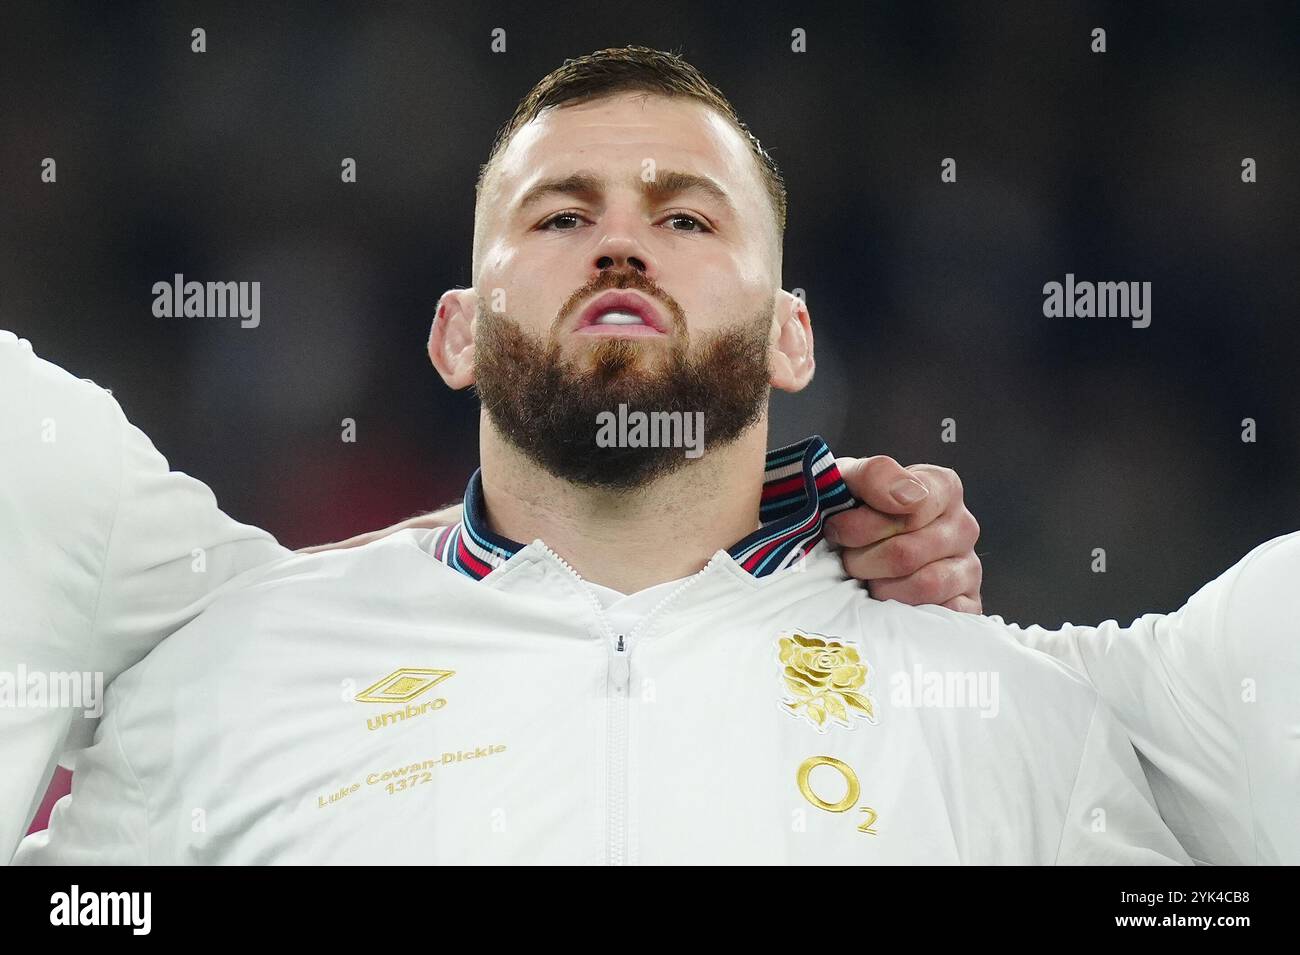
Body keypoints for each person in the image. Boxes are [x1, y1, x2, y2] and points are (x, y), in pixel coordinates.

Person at [11, 48, 1204, 865]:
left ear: (793, 333)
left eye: (685, 218)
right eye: (561, 216)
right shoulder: (231, 678)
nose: (621, 244)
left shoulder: (1007, 714)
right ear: (457, 330)